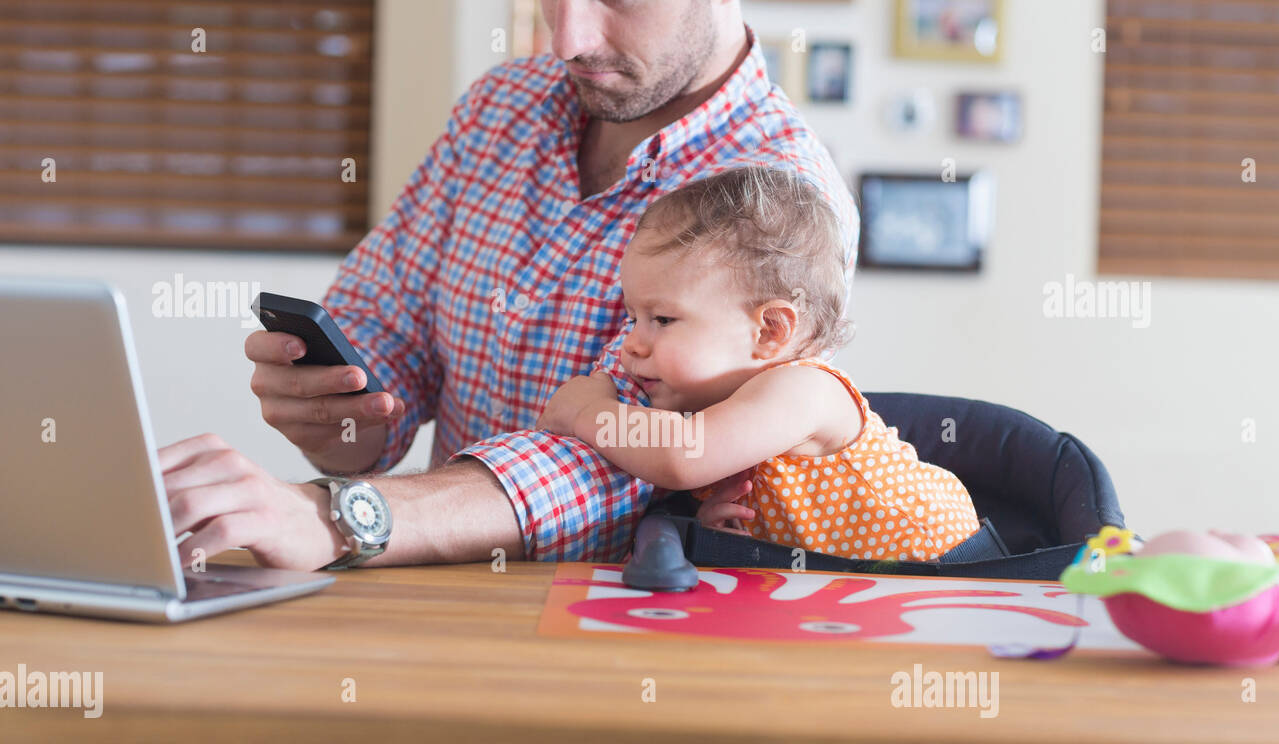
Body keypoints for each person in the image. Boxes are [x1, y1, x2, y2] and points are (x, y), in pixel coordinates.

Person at [158, 0, 859, 571]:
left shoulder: (781, 200)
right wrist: (331, 413)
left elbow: (621, 465)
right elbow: (385, 337)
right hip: (417, 608)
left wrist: (339, 517)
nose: (569, 39)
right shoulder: (502, 106)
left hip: (625, 642)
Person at [538, 166, 980, 561]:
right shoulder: (720, 409)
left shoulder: (803, 390)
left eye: (662, 319)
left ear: (769, 331)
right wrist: (722, 525)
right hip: (855, 594)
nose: (630, 345)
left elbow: (684, 454)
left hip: (956, 569)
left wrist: (588, 413)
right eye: (634, 318)